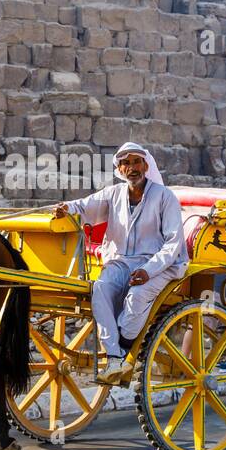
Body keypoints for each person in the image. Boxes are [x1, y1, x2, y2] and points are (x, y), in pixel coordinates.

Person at [54, 142, 186, 385]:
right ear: (120, 169)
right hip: (119, 262)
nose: (132, 168)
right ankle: (115, 357)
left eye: (136, 162)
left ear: (146, 165)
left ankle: (124, 351)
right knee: (100, 289)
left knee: (137, 297)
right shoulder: (112, 195)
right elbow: (84, 206)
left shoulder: (164, 197)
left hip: (158, 264)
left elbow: (173, 243)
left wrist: (148, 270)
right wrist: (67, 208)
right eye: (126, 163)